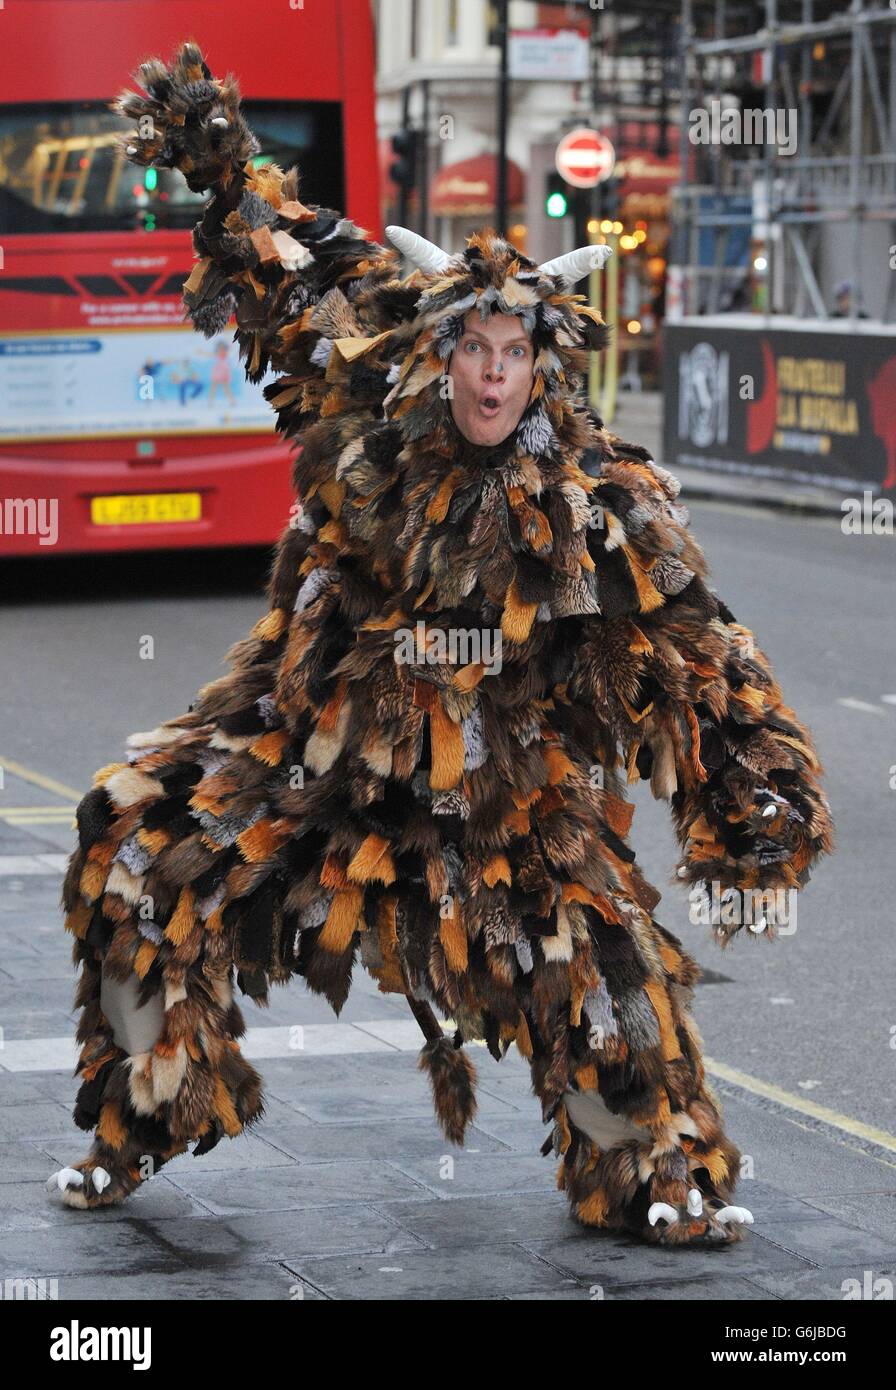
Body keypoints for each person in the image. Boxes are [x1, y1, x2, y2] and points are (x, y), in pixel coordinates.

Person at [47, 44, 833, 1248]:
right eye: (471, 348)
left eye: (513, 354)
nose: (490, 373)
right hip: (314, 773)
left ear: (540, 366)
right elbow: (295, 270)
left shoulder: (594, 500)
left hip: (498, 807)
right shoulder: (369, 428)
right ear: (439, 354)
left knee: (605, 965)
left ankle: (648, 1178)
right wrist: (218, 165)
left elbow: (691, 649)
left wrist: (752, 792)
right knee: (133, 843)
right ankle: (145, 1112)